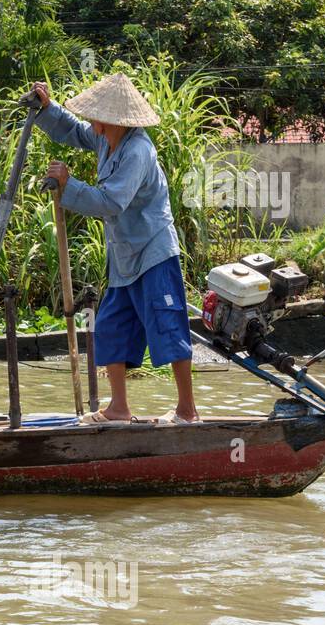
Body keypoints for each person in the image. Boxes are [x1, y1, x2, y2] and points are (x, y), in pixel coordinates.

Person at [31, 74, 199, 424]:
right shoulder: (106, 140)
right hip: (124, 256)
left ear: (112, 120)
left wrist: (68, 184)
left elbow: (110, 203)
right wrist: (48, 110)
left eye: (97, 117)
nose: (93, 122)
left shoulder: (137, 150)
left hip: (153, 251)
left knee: (167, 326)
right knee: (111, 325)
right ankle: (119, 408)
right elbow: (75, 131)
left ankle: (187, 410)